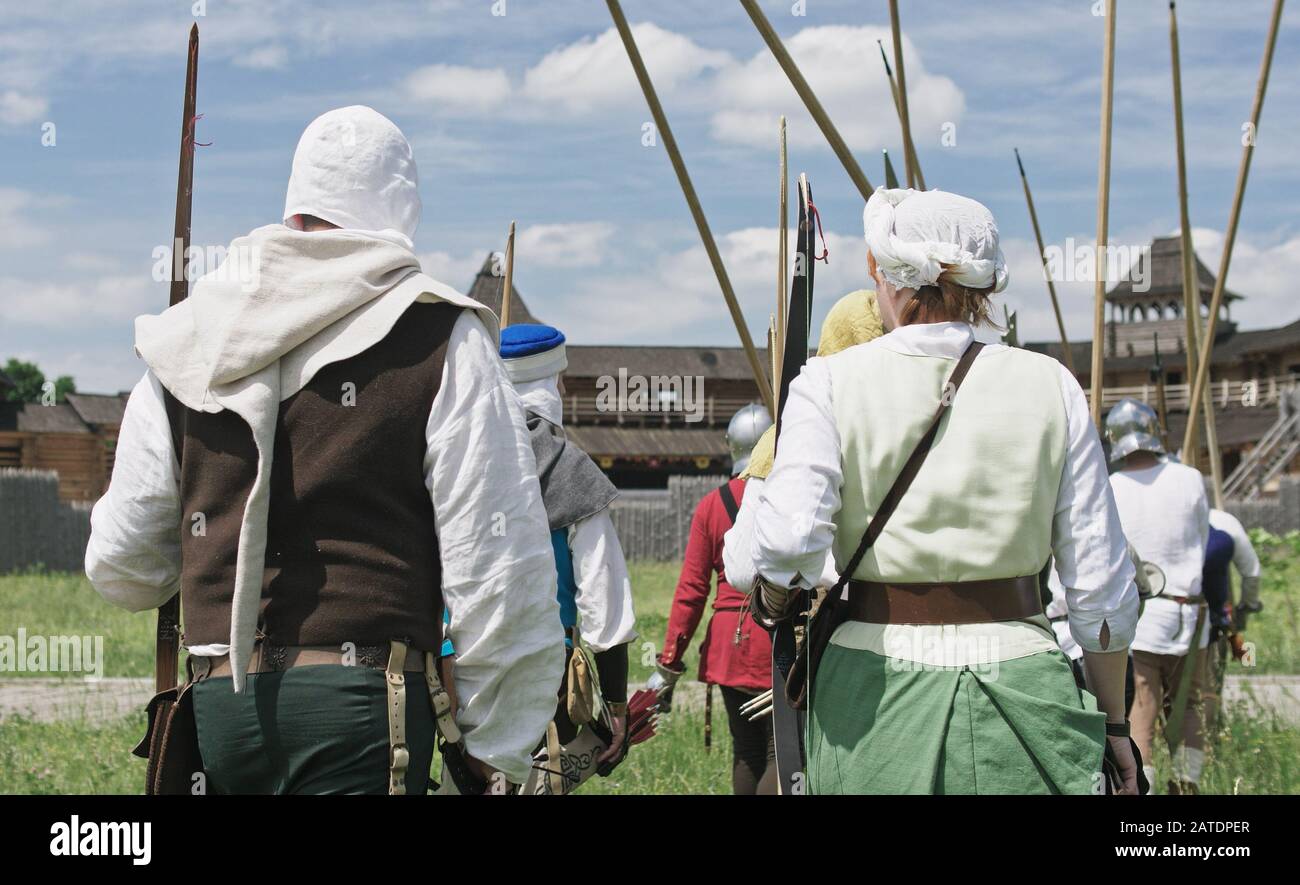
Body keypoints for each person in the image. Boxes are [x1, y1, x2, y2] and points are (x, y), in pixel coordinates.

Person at [85, 106, 564, 794]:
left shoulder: (186, 342)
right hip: (364, 714)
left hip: (222, 715)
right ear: (404, 208)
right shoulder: (440, 336)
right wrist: (500, 742)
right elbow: (498, 564)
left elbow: (123, 567)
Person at [747, 187, 1141, 795]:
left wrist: (774, 604)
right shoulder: (1052, 384)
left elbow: (790, 543)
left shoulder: (827, 381)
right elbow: (1102, 594)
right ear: (984, 287)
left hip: (873, 691)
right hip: (1024, 678)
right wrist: (1115, 723)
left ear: (881, 272)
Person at [494, 323, 639, 793]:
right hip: (544, 673)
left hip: (462, 674)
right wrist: (615, 706)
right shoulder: (572, 470)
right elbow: (604, 600)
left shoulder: (453, 467)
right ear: (551, 386)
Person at [652, 402, 775, 794]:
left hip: (730, 644)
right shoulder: (789, 499)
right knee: (784, 753)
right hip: (777, 638)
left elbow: (692, 591)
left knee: (748, 751)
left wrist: (670, 663)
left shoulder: (711, 506)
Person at [1106, 398, 1210, 793]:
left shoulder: (1111, 486)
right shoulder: (1190, 478)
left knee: (1144, 706)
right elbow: (1202, 542)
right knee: (1189, 709)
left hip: (1145, 614)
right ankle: (1185, 788)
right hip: (1189, 611)